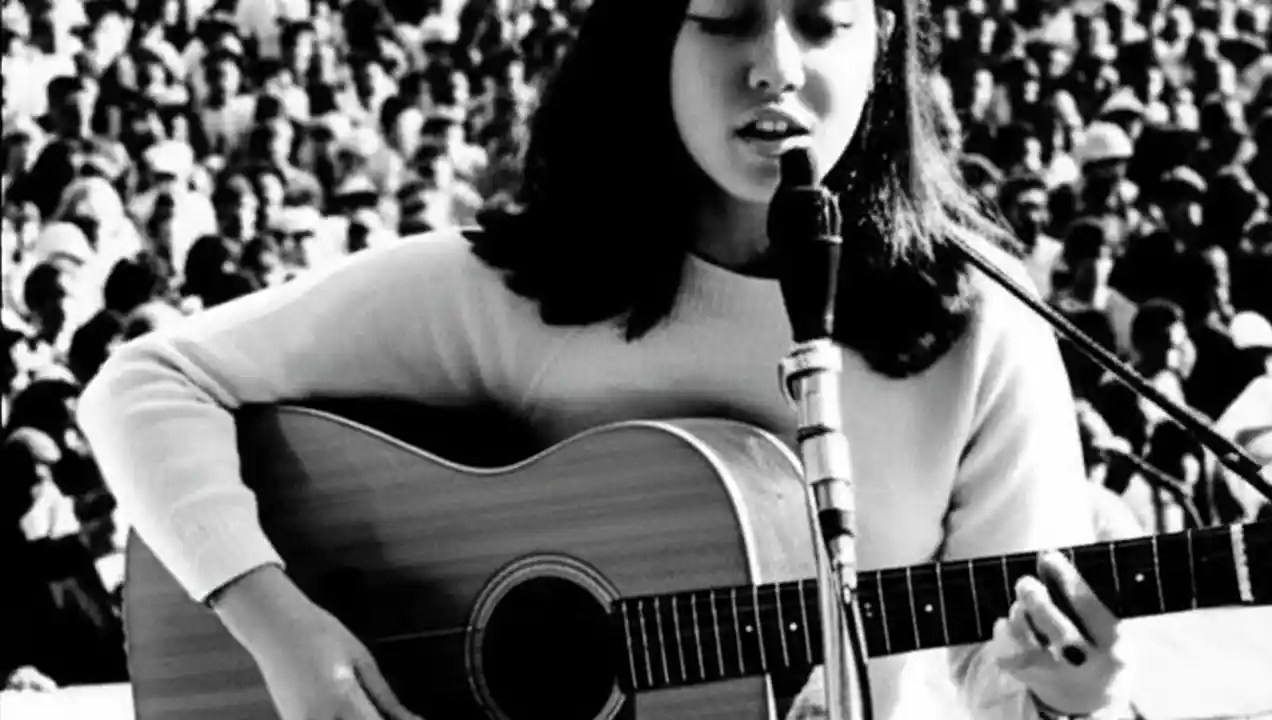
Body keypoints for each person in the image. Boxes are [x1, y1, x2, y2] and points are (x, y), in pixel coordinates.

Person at [77, 2, 1132, 719]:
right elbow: (145, 383)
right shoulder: (508, 289)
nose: (776, 63)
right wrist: (279, 625)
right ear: (646, 39)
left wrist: (1060, 692)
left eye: (822, 21)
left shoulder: (977, 326)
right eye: (721, 18)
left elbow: (1007, 680)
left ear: (883, 40)